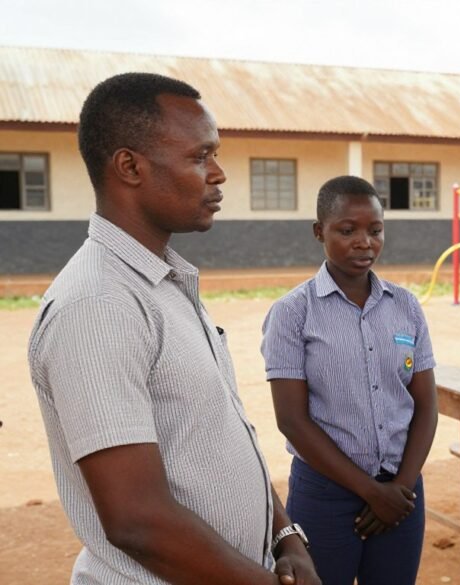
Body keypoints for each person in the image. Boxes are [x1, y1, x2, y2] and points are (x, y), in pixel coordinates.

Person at [27, 73, 318, 584]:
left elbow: (221, 435)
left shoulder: (163, 283)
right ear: (130, 167)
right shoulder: (100, 305)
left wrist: (283, 536)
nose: (219, 173)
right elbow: (136, 519)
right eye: (200, 156)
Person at [261, 176, 437, 585]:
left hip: (401, 493)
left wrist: (399, 490)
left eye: (374, 230)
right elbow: (292, 420)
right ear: (319, 231)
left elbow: (426, 406)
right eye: (347, 230)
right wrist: (371, 493)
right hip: (324, 496)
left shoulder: (406, 306)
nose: (364, 242)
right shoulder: (293, 313)